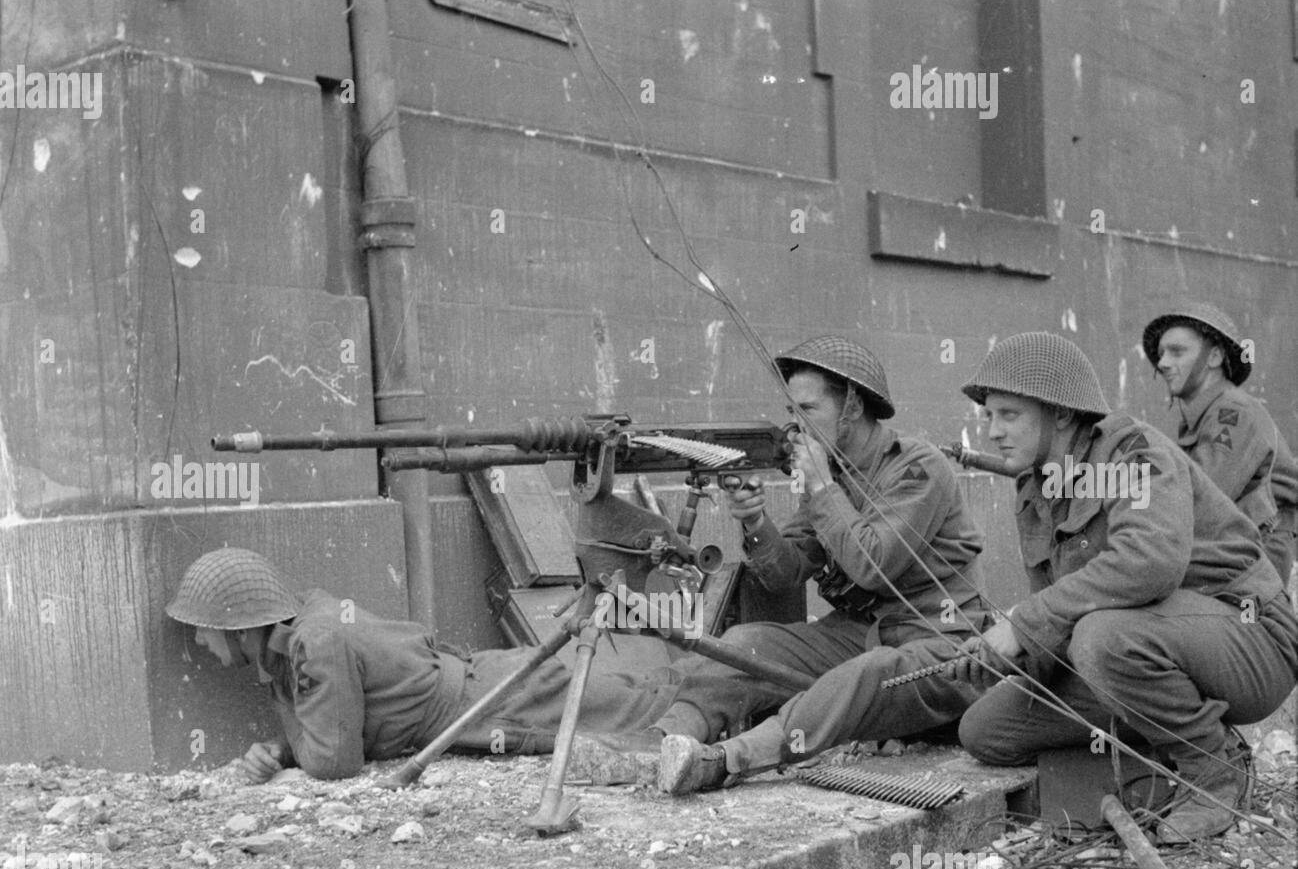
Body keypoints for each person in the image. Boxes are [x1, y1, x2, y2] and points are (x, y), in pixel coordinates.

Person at [954, 332, 1297, 843]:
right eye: (989, 417)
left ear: (1063, 414)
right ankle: (1166, 749)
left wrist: (1023, 624)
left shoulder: (1135, 453)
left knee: (1102, 637)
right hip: (1151, 645)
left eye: (1009, 415)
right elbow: (1061, 607)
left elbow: (1150, 562)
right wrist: (1015, 655)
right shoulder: (1038, 485)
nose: (993, 432)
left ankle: (1213, 768)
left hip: (1250, 641)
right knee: (987, 731)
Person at [655, 335, 991, 795]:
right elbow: (785, 572)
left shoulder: (917, 468)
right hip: (855, 636)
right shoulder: (831, 472)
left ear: (852, 405)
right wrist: (755, 521)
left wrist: (820, 486)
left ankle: (725, 760)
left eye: (807, 411)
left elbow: (873, 564)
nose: (795, 429)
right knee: (745, 644)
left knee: (869, 673)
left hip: (936, 645)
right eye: (792, 414)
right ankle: (663, 744)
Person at [165, 548, 685, 782]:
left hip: (494, 703)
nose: (199, 642)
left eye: (205, 632)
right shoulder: (304, 629)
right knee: (640, 698)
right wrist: (283, 749)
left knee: (649, 705)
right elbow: (336, 722)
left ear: (239, 629)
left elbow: (334, 761)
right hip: (483, 691)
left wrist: (286, 747)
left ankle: (750, 687)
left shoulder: (315, 641)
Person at [1142, 302, 1297, 583]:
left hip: (1255, 563)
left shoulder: (1234, 413)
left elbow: (1203, 494)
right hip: (1230, 551)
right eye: (1162, 353)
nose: (1162, 362)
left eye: (1177, 351)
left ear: (1213, 357)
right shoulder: (1203, 417)